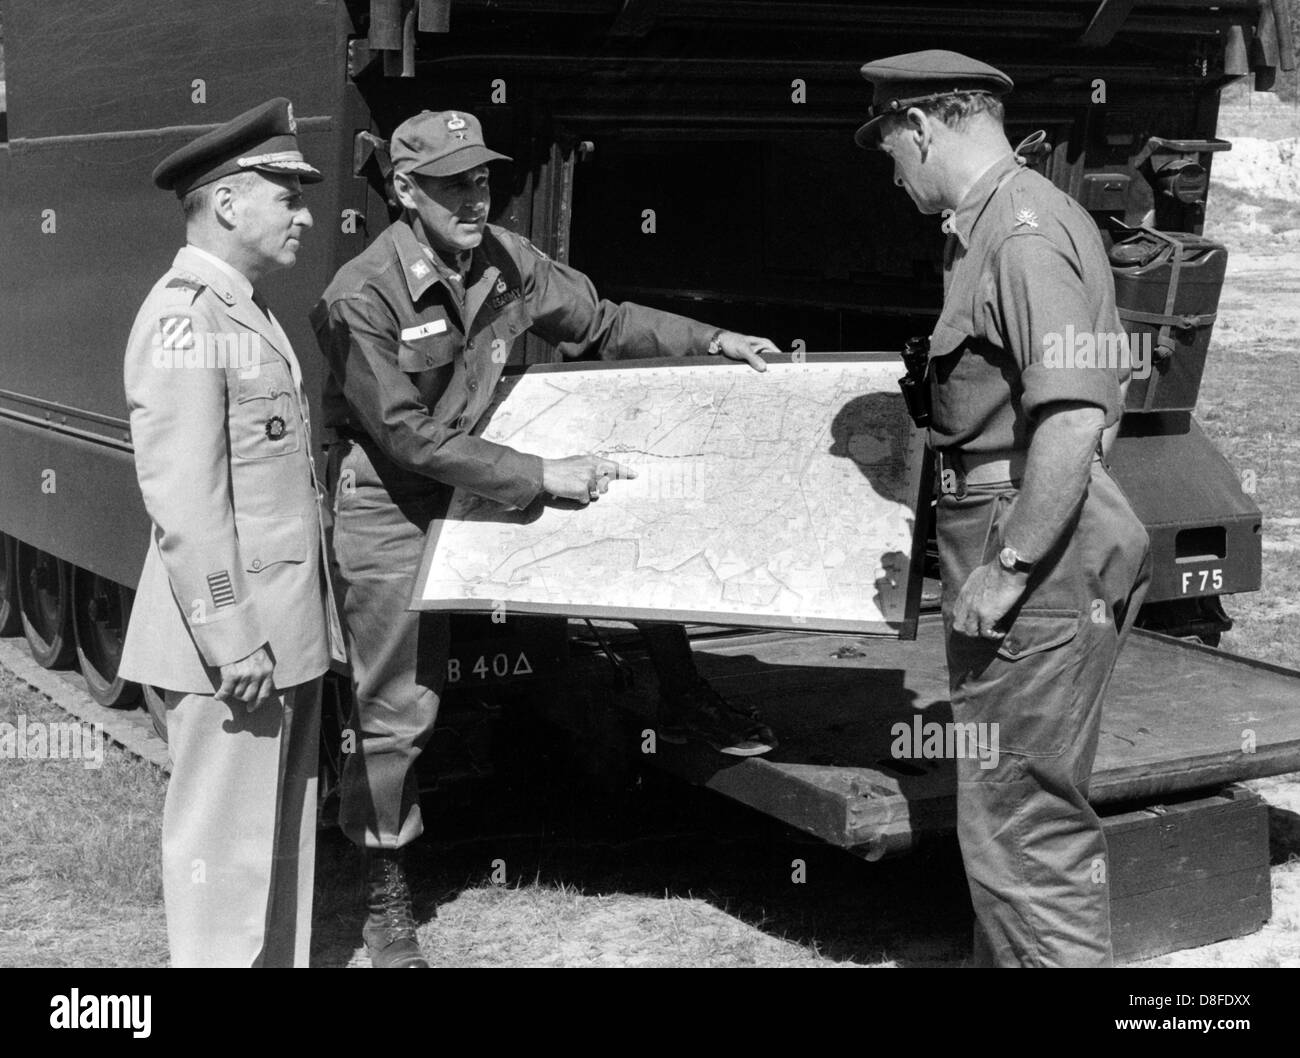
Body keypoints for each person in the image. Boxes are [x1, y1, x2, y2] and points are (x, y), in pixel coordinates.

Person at [312, 109, 779, 968]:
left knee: (630, 556)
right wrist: (538, 474)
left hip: (487, 479)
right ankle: (386, 904)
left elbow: (600, 320)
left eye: (482, 177)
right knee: (394, 712)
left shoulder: (505, 259)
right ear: (405, 192)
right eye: (452, 182)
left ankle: (639, 737)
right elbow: (407, 436)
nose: (474, 196)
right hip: (396, 505)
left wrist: (709, 338)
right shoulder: (360, 296)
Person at [856, 51, 1151, 966]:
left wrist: (1012, 561)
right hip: (1041, 531)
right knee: (1017, 810)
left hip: (1035, 555)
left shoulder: (1016, 235)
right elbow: (1103, 394)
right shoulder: (1026, 217)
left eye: (890, 150)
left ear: (923, 125)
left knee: (1021, 830)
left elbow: (1070, 418)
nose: (892, 171)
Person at [120, 97, 344, 967]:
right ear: (226, 203)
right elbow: (186, 500)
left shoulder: (242, 307)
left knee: (277, 855)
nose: (305, 215)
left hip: (279, 636)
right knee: (225, 869)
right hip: (235, 647)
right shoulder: (188, 316)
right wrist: (232, 635)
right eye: (287, 195)